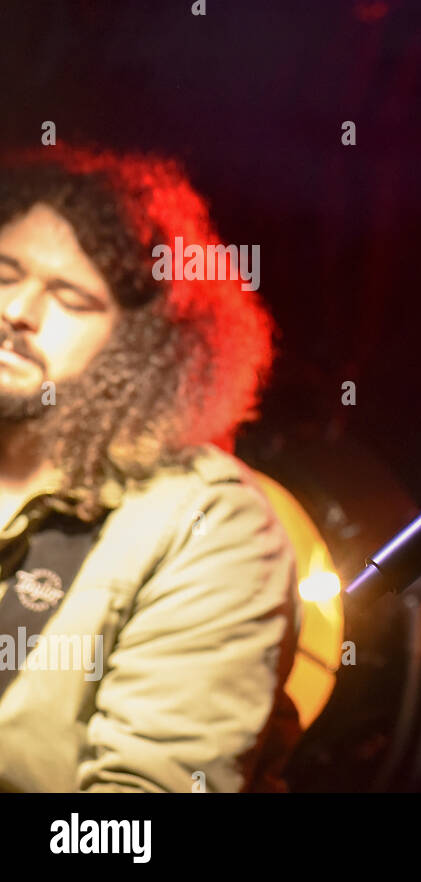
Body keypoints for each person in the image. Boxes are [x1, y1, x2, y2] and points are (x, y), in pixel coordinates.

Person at [0, 146, 300, 792]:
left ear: (141, 347)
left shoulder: (209, 525)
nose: (19, 311)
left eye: (71, 297)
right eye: (4, 272)